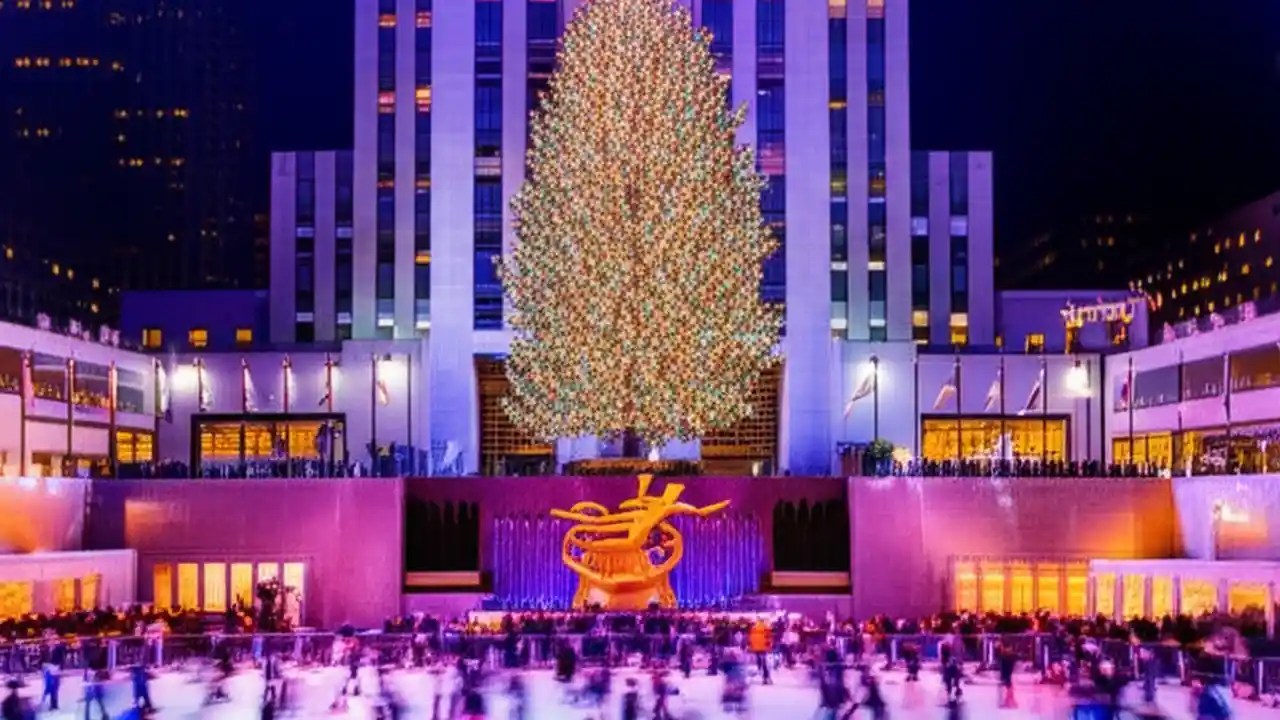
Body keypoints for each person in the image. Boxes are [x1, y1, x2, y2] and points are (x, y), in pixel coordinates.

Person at [41, 634, 65, 711]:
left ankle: (55, 704)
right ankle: (50, 702)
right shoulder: (45, 650)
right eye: (50, 640)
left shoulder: (58, 649)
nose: (51, 642)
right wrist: (43, 666)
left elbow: (62, 659)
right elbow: (42, 660)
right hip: (48, 670)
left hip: (56, 669)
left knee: (55, 687)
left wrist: (60, 668)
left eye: (53, 640)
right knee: (51, 686)